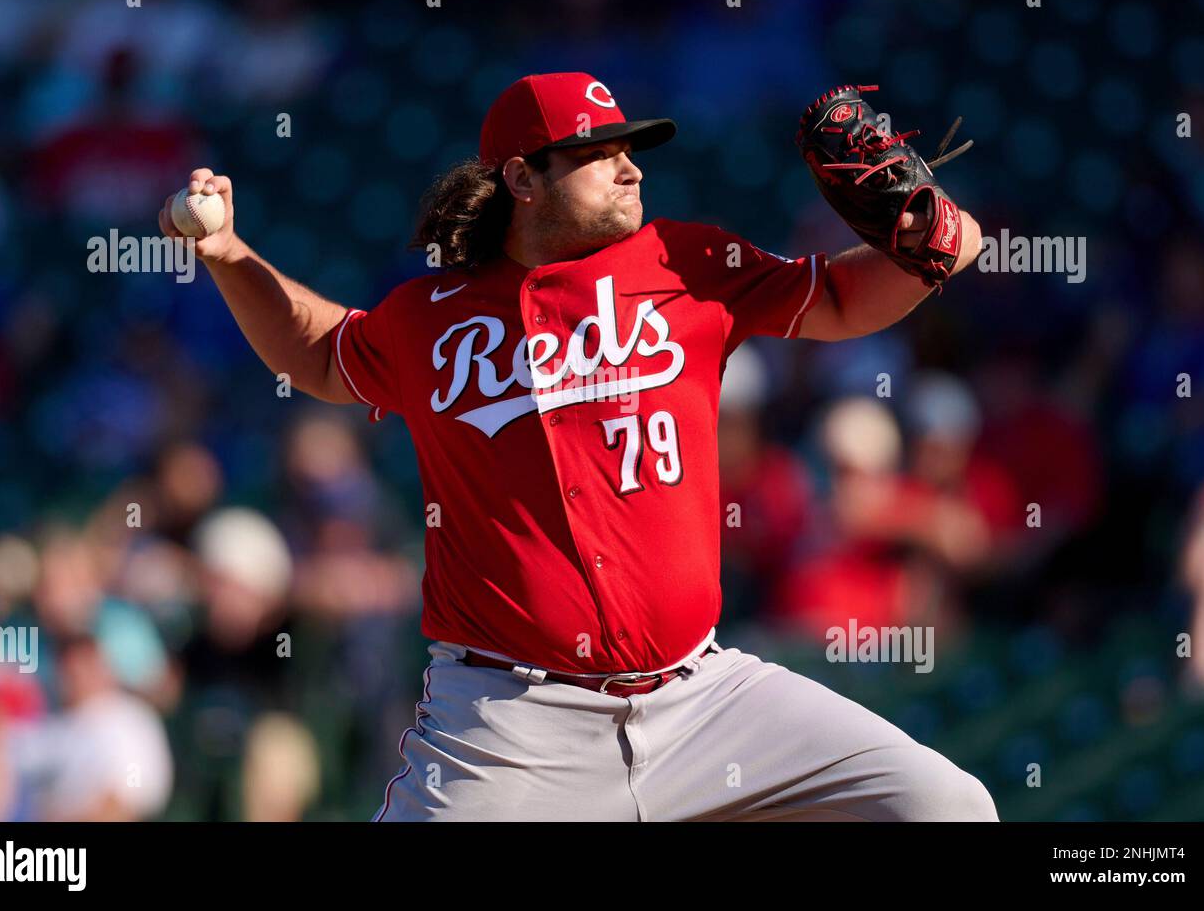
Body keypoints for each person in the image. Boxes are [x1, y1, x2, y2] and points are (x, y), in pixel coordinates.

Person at [158, 71, 996, 821]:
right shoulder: (434, 316)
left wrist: (936, 235)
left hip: (701, 700)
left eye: (630, 148)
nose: (630, 167)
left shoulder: (688, 261)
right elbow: (320, 353)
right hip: (510, 724)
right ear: (522, 177)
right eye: (597, 152)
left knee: (944, 805)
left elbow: (850, 301)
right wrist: (227, 252)